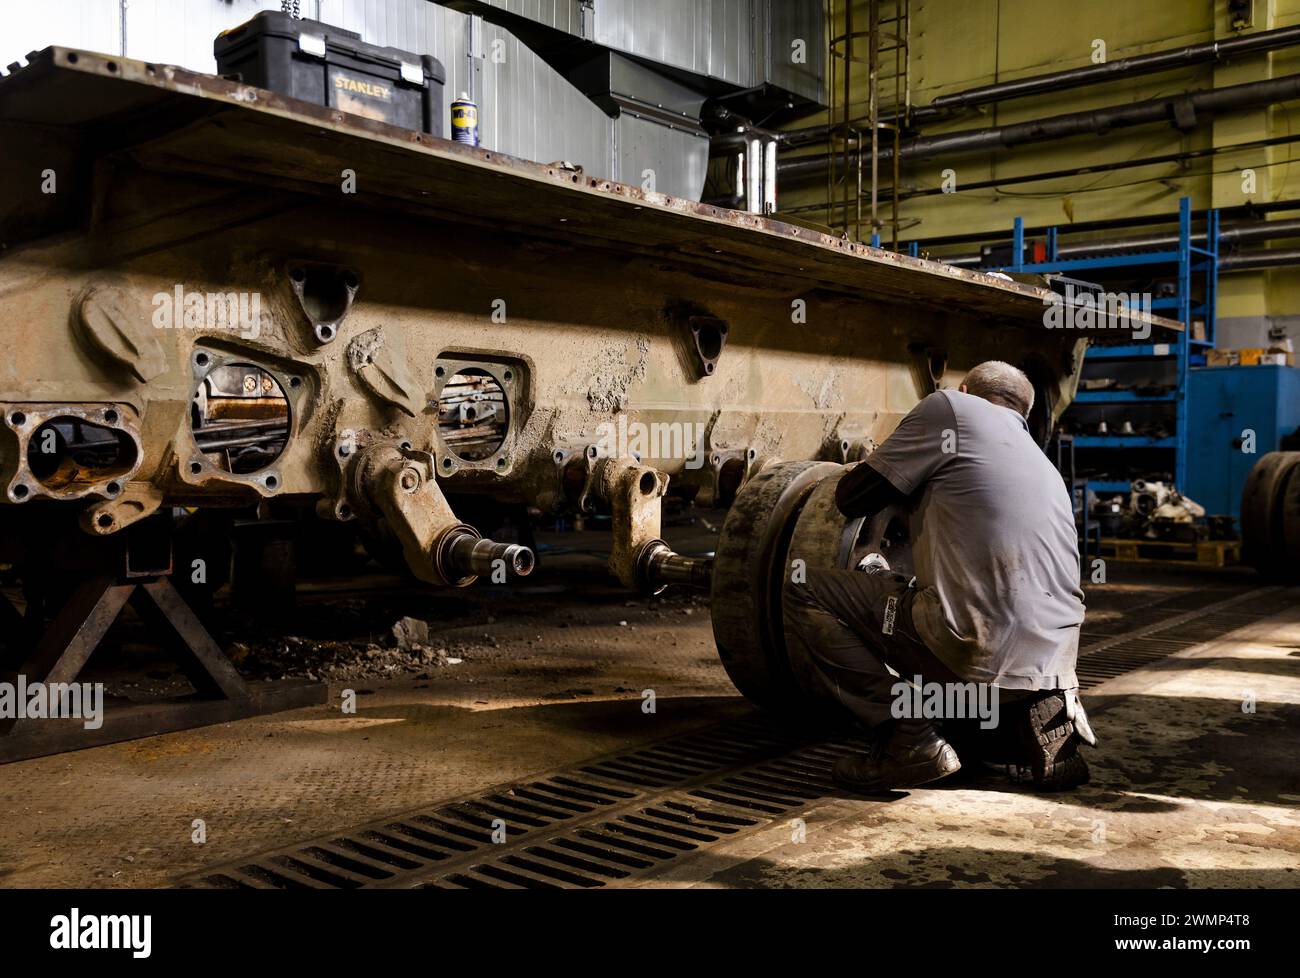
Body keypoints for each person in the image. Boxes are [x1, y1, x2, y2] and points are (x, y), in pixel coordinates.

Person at [784, 360, 1096, 792]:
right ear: (1022, 414)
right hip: (1054, 665)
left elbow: (852, 498)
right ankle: (1038, 724)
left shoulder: (950, 408)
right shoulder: (1041, 464)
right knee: (980, 651)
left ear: (965, 388)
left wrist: (896, 470)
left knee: (804, 589)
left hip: (973, 645)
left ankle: (907, 738)